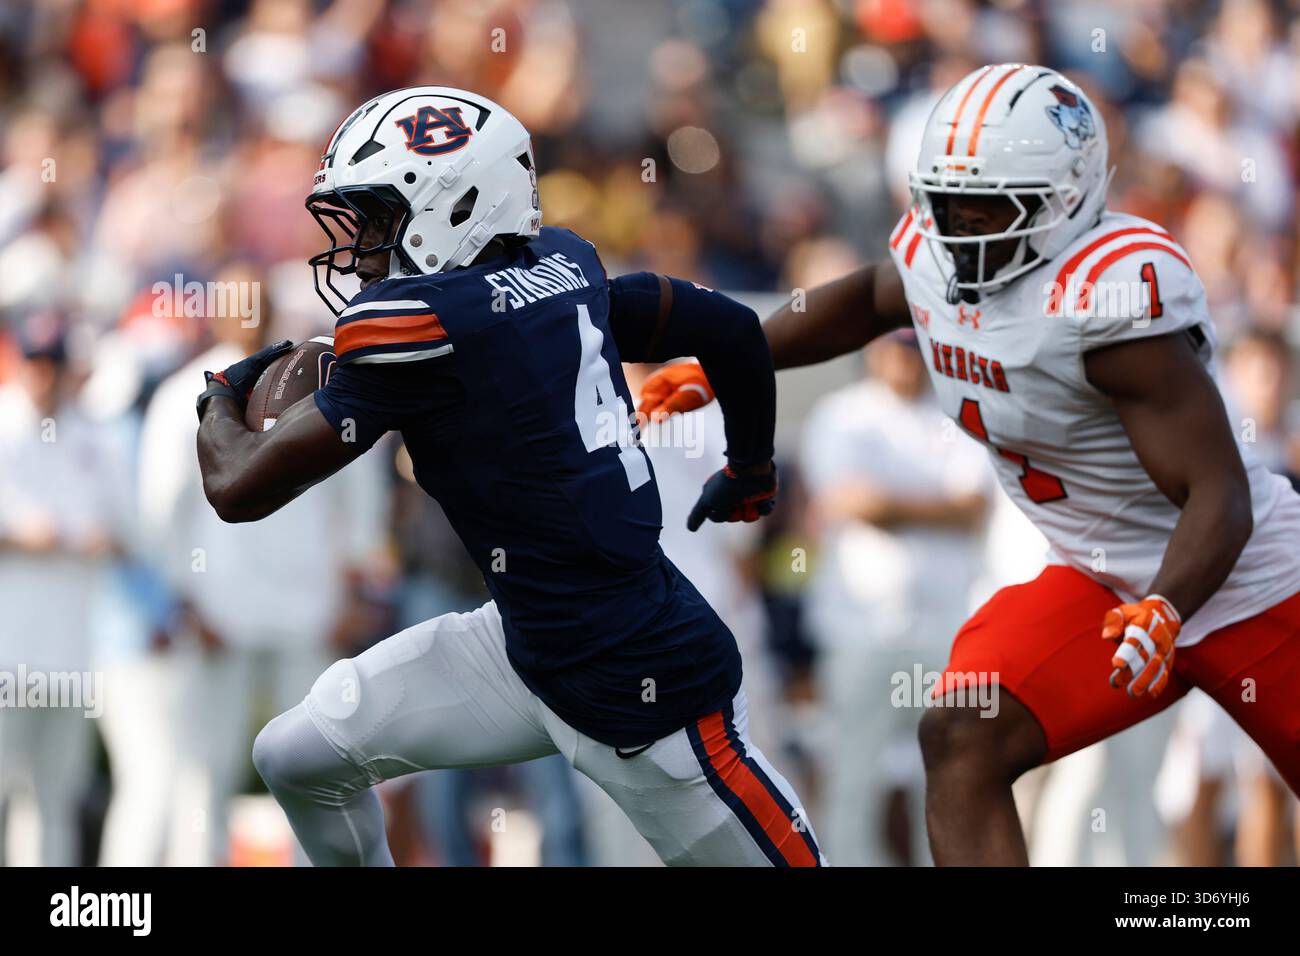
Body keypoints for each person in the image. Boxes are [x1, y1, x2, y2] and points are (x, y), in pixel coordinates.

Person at [637, 64, 1300, 865]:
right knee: (961, 734)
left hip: (1243, 581)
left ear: (1063, 200)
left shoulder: (1110, 304)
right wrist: (726, 362)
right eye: (945, 201)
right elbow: (866, 302)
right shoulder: (938, 258)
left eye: (983, 204)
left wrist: (1166, 607)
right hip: (1098, 580)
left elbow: (1220, 494)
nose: (955, 227)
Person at [196, 87, 823, 867]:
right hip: (527, 645)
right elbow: (730, 327)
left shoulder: (419, 328)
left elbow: (235, 490)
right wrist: (752, 468)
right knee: (297, 754)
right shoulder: (567, 266)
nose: (359, 245)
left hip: (643, 684)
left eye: (380, 219)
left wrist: (219, 399)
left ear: (455, 209)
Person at [798, 331, 991, 865]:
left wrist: (890, 504)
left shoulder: (955, 418)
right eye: (895, 346)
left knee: (950, 775)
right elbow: (852, 501)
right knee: (852, 776)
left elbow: (973, 506)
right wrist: (935, 507)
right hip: (861, 631)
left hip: (945, 628)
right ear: (873, 350)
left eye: (914, 347)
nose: (905, 359)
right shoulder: (841, 413)